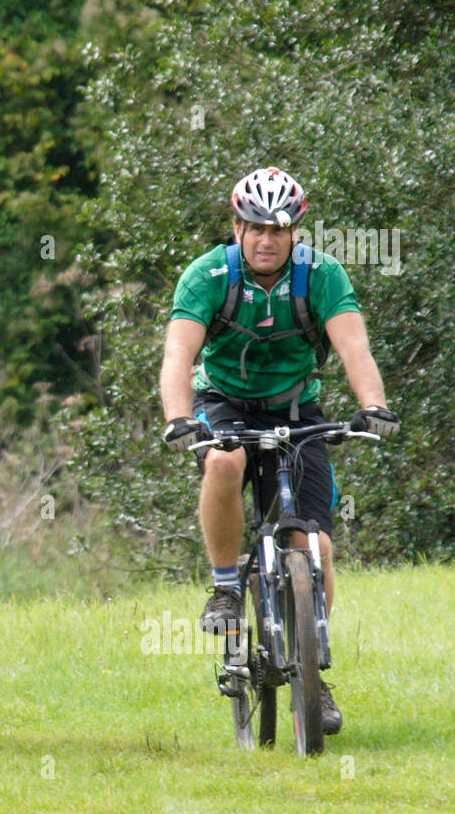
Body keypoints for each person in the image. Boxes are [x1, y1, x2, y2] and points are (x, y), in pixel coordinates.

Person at [159, 167, 400, 735]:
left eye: (279, 228)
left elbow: (352, 344)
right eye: (255, 227)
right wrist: (177, 419)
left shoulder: (321, 275)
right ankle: (224, 587)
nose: (267, 239)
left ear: (295, 232)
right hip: (223, 403)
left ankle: (313, 674)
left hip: (297, 412)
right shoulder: (208, 276)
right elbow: (177, 354)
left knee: (313, 544)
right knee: (222, 460)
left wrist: (374, 406)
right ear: (237, 227)